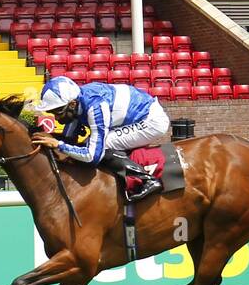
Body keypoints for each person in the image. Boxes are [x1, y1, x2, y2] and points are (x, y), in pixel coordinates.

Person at [29, 75, 171, 201]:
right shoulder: (76, 103)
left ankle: (146, 179)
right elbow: (68, 139)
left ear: (72, 104)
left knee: (105, 143)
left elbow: (92, 156)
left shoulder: (95, 107)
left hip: (151, 121)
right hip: (136, 115)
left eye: (58, 111)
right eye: (52, 112)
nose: (56, 118)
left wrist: (57, 144)